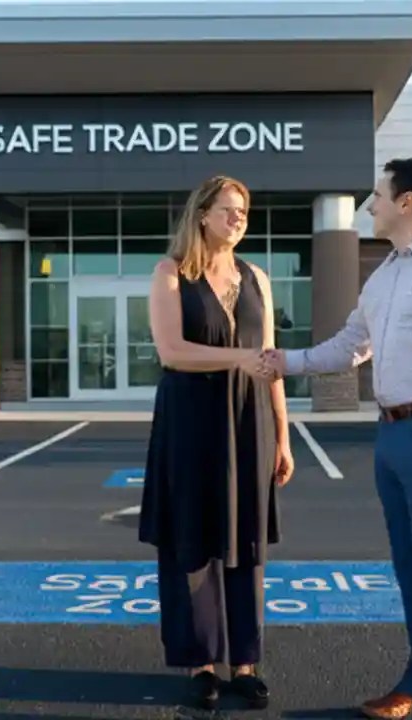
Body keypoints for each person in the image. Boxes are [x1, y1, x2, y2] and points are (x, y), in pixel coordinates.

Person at [256, 157, 412, 720]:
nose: (369, 205)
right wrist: (286, 362)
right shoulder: (384, 276)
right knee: (410, 572)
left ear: (406, 202)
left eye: (378, 195)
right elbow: (351, 346)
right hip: (391, 434)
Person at [139, 175, 296, 711]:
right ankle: (201, 664)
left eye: (244, 211)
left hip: (250, 420)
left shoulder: (257, 278)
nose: (237, 219)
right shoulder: (170, 273)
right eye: (228, 209)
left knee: (247, 539)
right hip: (190, 422)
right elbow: (172, 351)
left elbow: (270, 363)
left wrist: (283, 435)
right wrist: (239, 358)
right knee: (193, 539)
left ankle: (245, 664)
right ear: (202, 214)